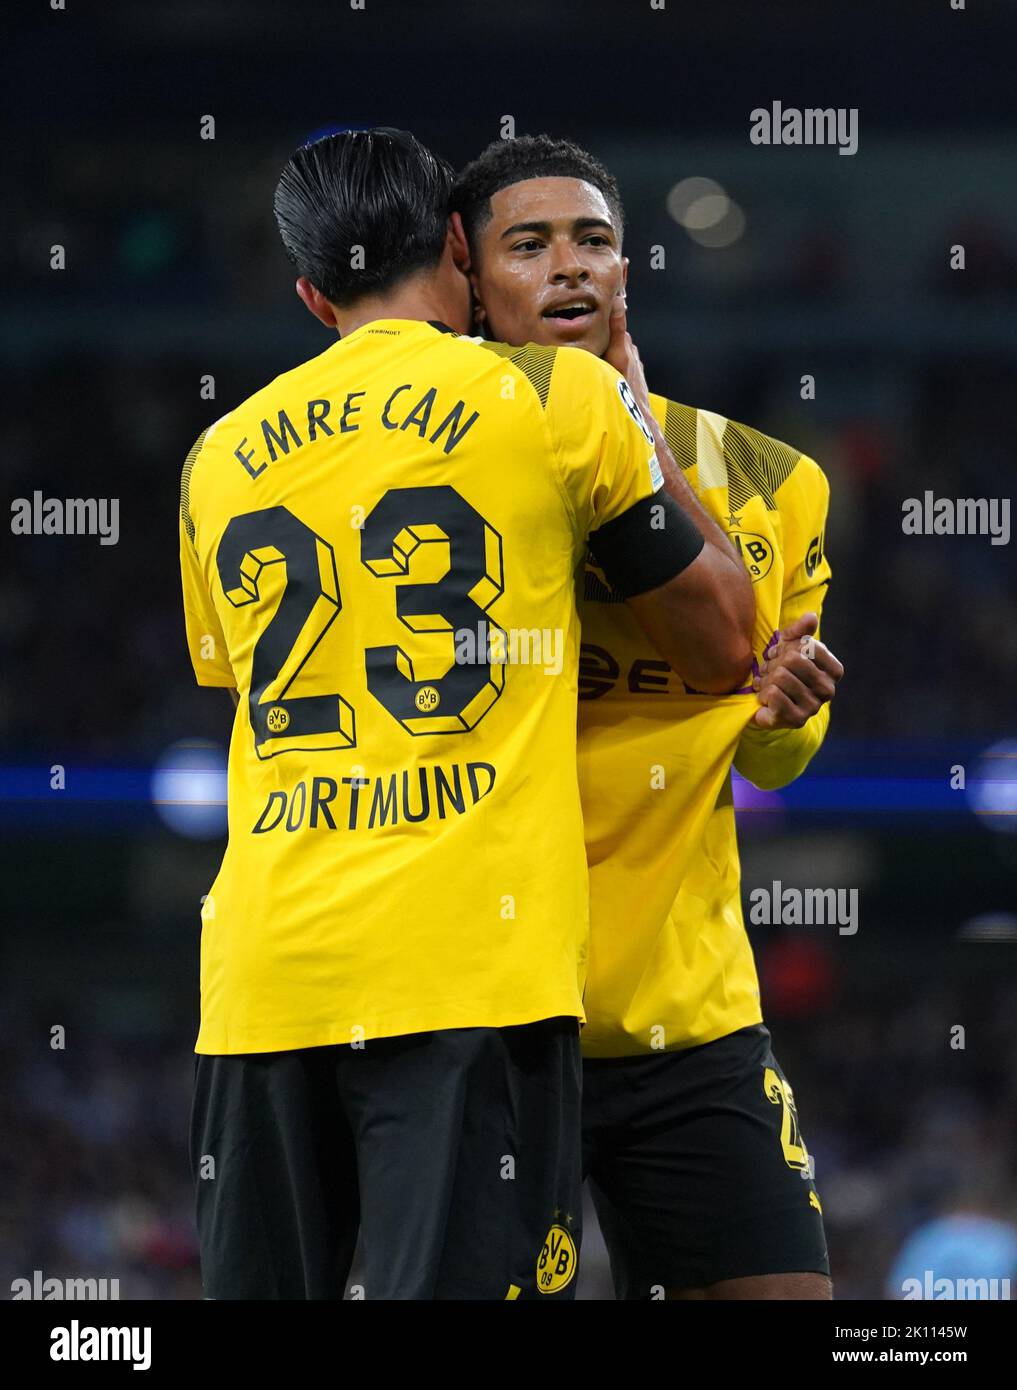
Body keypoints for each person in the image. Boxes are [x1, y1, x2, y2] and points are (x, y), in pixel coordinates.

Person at [178, 128, 754, 1300]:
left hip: (263, 974)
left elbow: (241, 681)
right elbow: (725, 639)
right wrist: (636, 409)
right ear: (457, 244)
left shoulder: (217, 456)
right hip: (467, 975)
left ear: (308, 291)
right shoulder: (556, 399)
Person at [452, 134, 844, 1300]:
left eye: (596, 241)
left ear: (629, 272)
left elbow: (775, 747)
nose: (570, 267)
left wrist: (786, 711)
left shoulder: (773, 476)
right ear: (471, 281)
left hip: (690, 1021)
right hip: (488, 1021)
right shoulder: (429, 481)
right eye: (529, 244)